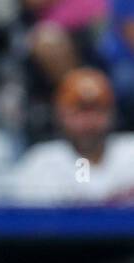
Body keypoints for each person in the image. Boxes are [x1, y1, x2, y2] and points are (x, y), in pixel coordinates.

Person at [8, 67, 134, 204]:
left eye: (98, 110)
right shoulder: (42, 161)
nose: (88, 122)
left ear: (112, 113)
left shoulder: (130, 151)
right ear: (60, 114)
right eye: (79, 111)